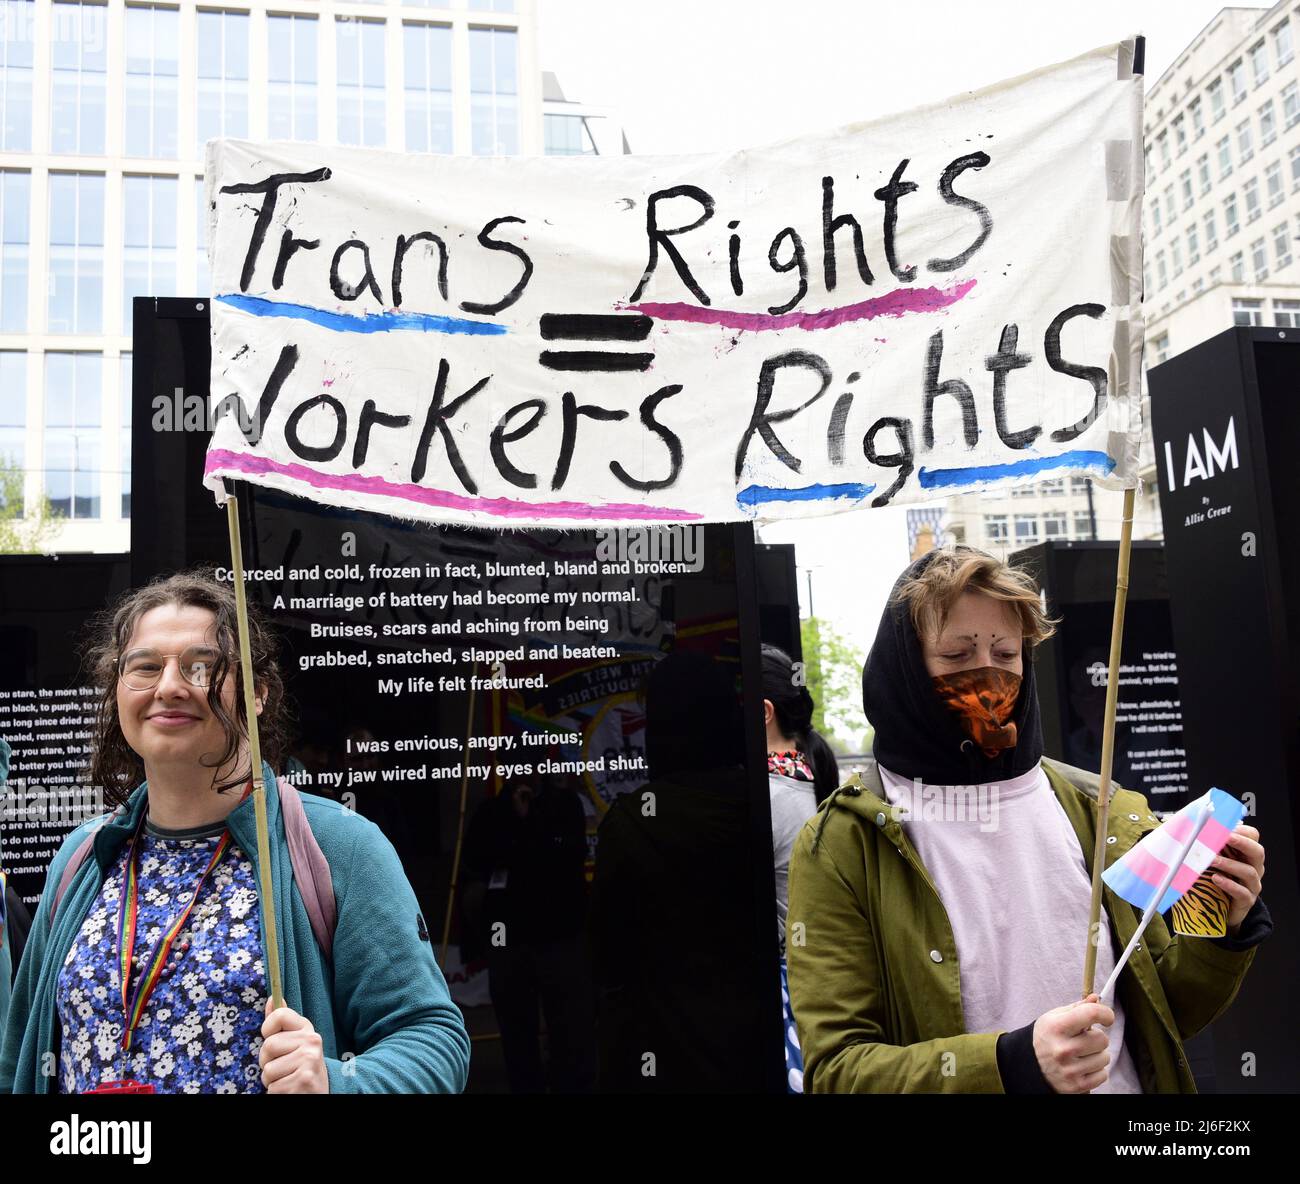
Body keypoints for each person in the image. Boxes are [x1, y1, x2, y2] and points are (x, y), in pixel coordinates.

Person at [786, 547, 1271, 1094]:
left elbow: (1163, 1011)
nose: (987, 673)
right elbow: (836, 1070)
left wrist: (1220, 926)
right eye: (957, 654)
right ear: (906, 668)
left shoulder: (1100, 806)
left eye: (1005, 652)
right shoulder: (843, 840)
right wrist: (1011, 1065)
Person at [0, 570, 470, 1094]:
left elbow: (432, 1038)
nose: (171, 686)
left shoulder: (340, 848)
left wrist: (338, 1083)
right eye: (145, 667)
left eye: (203, 667)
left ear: (258, 692)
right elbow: (20, 1052)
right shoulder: (82, 857)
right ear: (117, 694)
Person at [760, 643, 838, 1094]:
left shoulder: (767, 797)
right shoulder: (813, 778)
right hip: (818, 985)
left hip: (790, 993)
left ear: (764, 712)